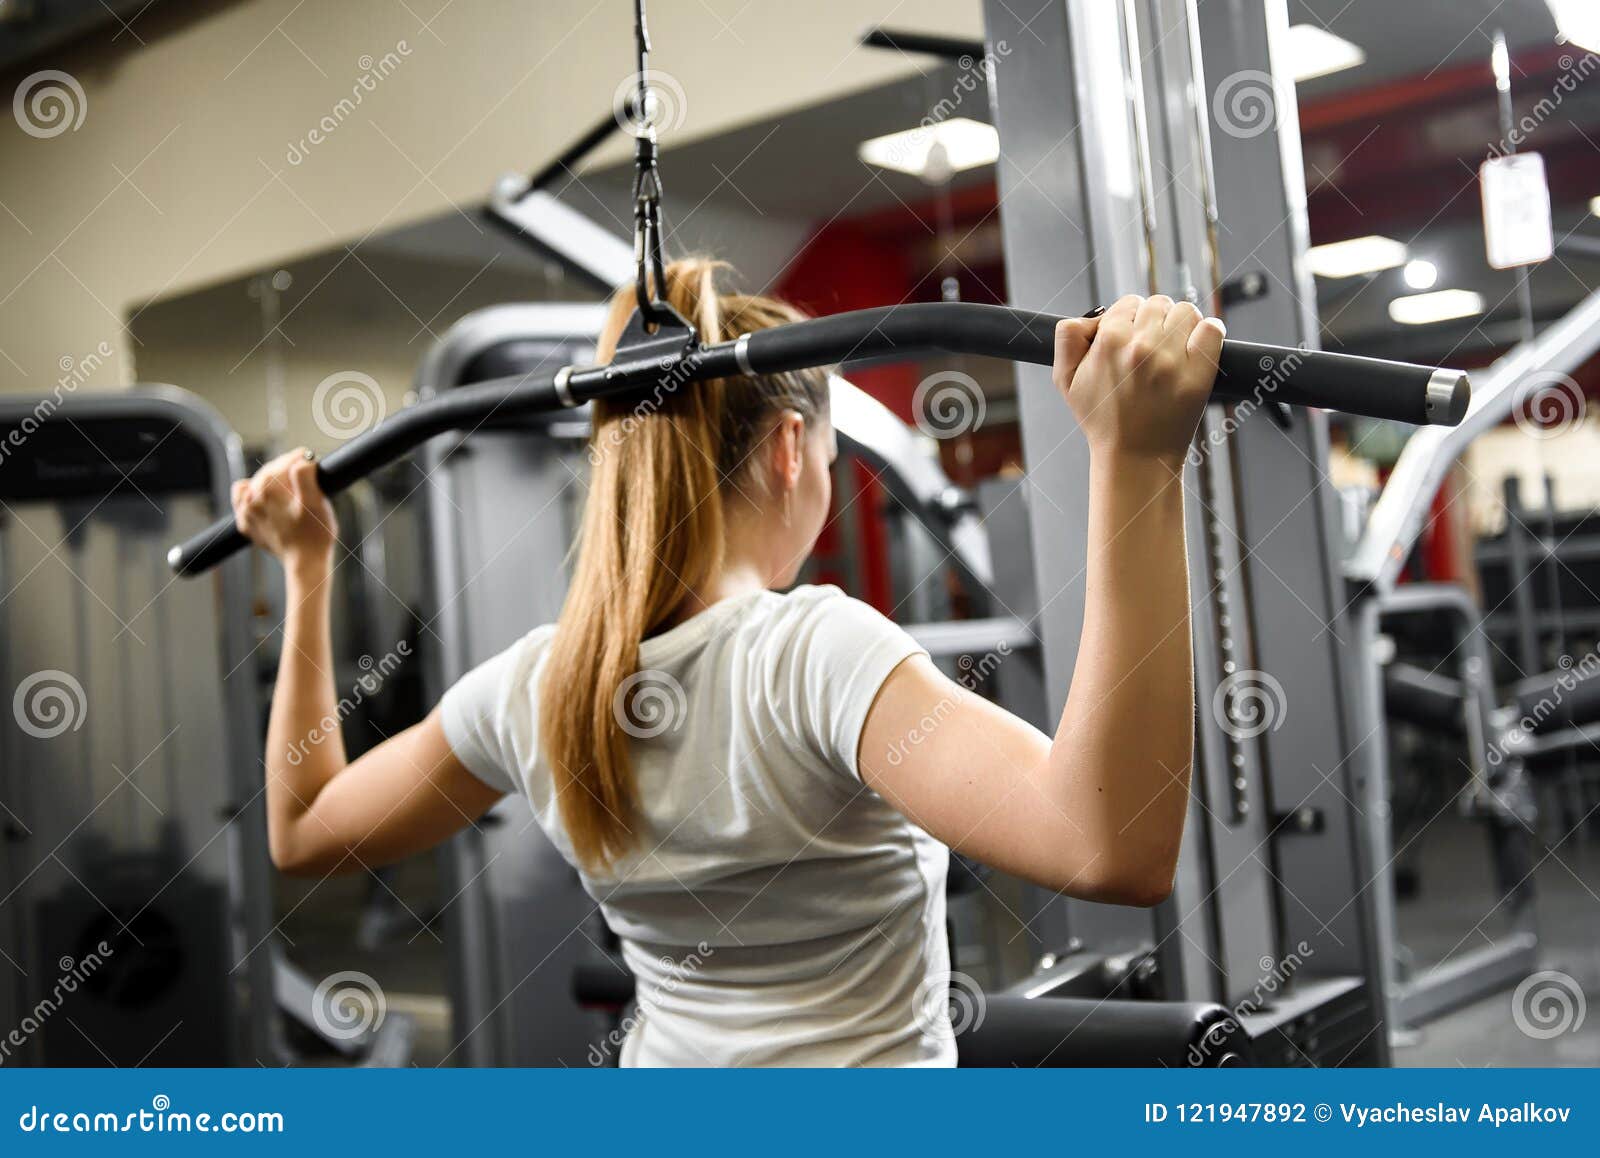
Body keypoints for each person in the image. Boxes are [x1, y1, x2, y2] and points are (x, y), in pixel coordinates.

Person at [232, 258, 1224, 1067]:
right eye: (834, 462)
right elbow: (1111, 848)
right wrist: (1135, 464)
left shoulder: (534, 685)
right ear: (791, 449)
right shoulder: (816, 656)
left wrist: (309, 572)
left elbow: (304, 830)